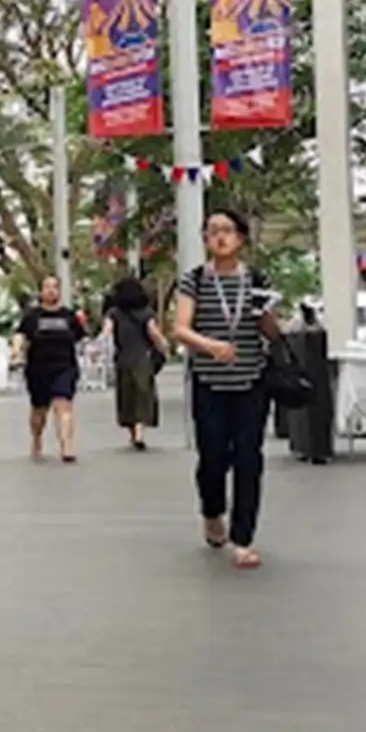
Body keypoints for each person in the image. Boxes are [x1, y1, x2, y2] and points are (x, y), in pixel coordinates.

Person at [172, 207, 274, 570]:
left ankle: (243, 539)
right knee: (213, 458)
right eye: (213, 231)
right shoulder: (195, 280)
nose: (220, 237)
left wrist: (270, 317)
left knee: (249, 459)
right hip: (210, 382)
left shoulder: (258, 278)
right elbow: (180, 328)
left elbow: (270, 331)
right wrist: (209, 346)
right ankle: (212, 510)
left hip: (251, 382)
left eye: (227, 230)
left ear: (241, 237)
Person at [14, 275, 86, 462]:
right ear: (41, 291)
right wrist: (16, 352)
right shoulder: (32, 316)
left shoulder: (69, 316)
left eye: (55, 287)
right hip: (38, 368)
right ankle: (37, 438)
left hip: (65, 366)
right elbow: (20, 335)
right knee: (39, 410)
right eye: (47, 287)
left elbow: (81, 337)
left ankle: (67, 446)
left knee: (64, 404)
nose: (51, 290)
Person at [102, 276, 168, 451]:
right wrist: (163, 346)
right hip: (143, 359)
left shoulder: (114, 313)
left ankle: (132, 432)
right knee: (143, 395)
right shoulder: (146, 312)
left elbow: (106, 332)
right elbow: (154, 333)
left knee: (127, 396)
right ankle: (139, 432)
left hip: (122, 358)